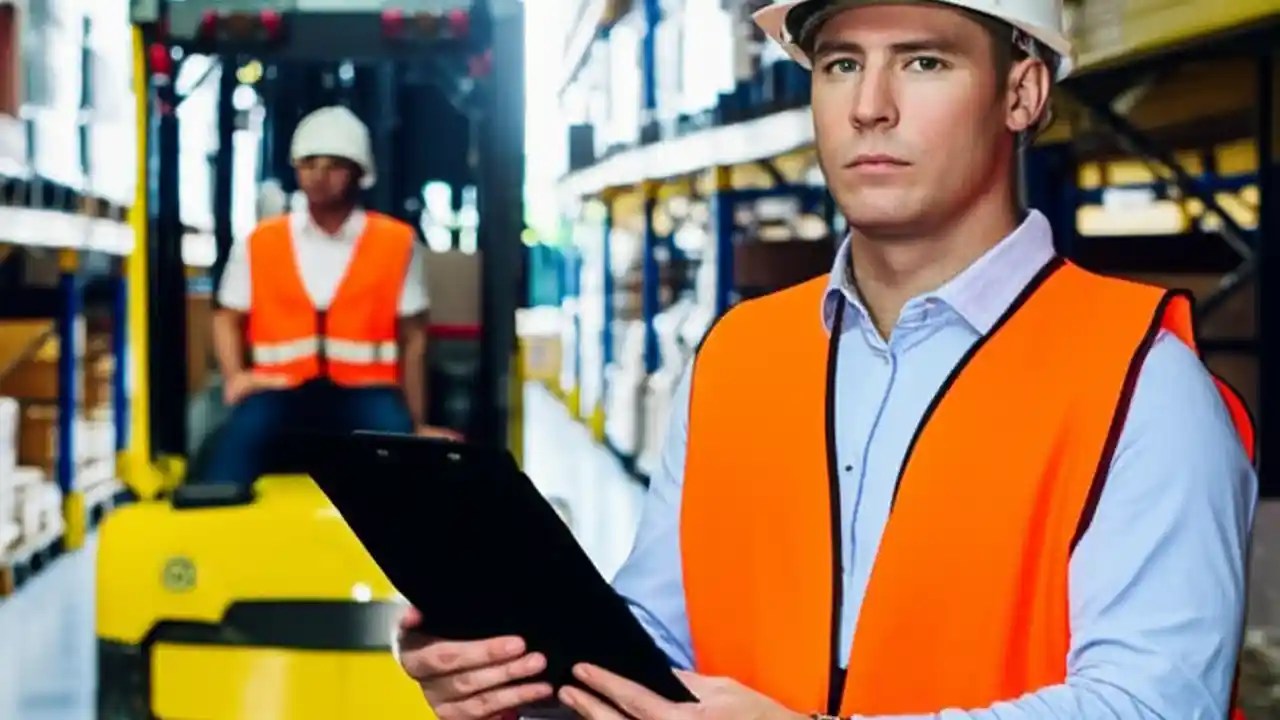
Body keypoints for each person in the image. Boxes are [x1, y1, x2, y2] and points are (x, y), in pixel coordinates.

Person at [395, 1, 1259, 719]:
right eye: (841, 63)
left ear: (1022, 92)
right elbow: (664, 632)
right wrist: (517, 665)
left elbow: (1149, 704)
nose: (869, 106)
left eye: (924, 63)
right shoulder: (738, 355)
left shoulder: (1141, 380)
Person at [197, 105, 458, 488]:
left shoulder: (395, 242)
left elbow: (413, 339)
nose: (319, 175)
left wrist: (416, 421)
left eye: (334, 164)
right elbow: (226, 316)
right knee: (230, 454)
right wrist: (236, 377)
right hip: (279, 389)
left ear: (358, 172)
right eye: (309, 163)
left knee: (403, 462)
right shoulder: (260, 241)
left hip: (367, 393)